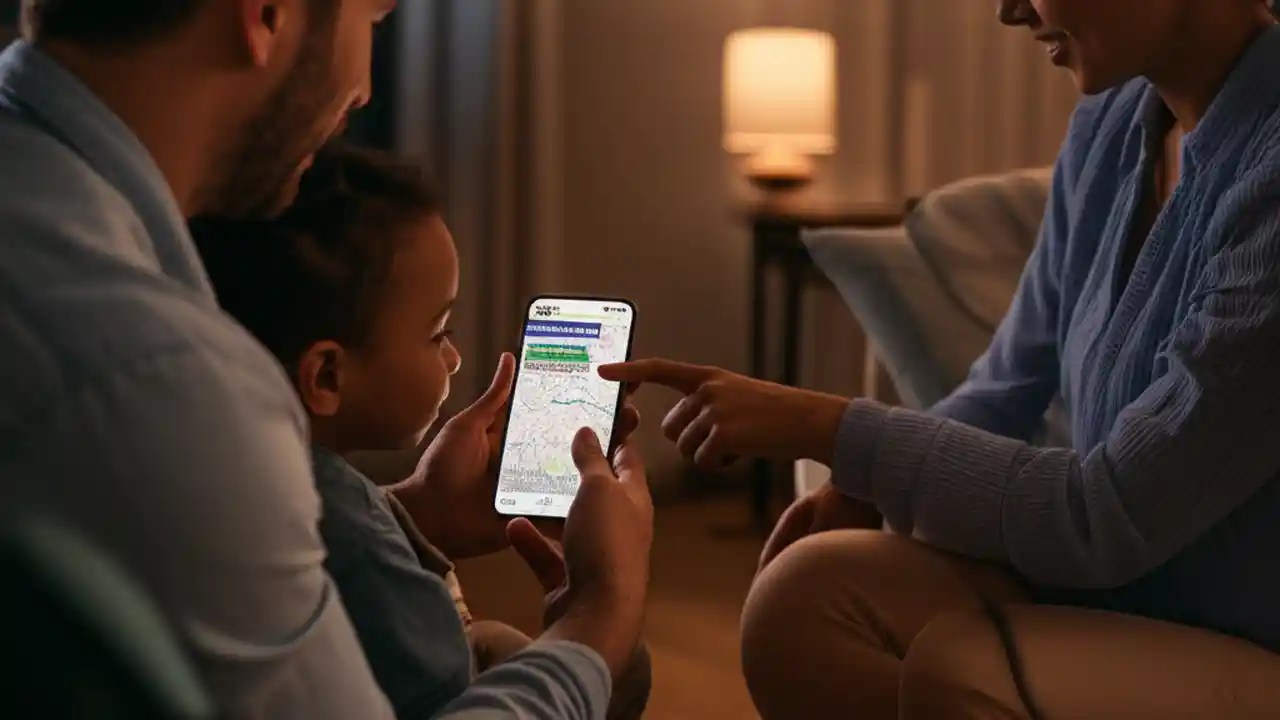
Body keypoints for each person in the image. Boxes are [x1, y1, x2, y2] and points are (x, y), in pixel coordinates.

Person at [602, 0, 1280, 717]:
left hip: (1234, 626)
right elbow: (1007, 388)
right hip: (1115, 586)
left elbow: (1106, 516)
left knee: (952, 668)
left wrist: (832, 430)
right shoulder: (1113, 123)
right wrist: (865, 485)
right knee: (797, 601)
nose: (1010, 10)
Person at [0, 2, 652, 717]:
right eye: (372, 16)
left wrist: (412, 515)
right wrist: (601, 613)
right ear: (265, 13)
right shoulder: (157, 375)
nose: (367, 90)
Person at [192, 143, 651, 719]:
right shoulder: (355, 540)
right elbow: (448, 698)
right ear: (327, 375)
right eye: (438, 333)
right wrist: (606, 600)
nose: (455, 359)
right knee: (619, 669)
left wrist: (420, 512)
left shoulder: (234, 469)